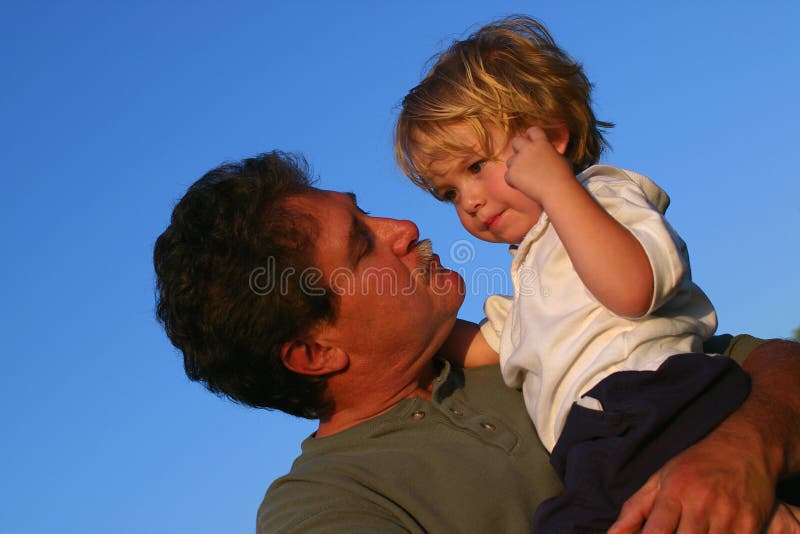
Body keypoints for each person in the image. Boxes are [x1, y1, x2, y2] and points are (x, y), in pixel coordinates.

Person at [153, 151, 800, 533]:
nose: (404, 226)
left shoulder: (536, 330)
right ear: (316, 352)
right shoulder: (325, 503)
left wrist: (745, 448)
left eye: (367, 209)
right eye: (362, 242)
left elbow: (770, 361)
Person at [393, 15, 777, 531]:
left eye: (476, 166)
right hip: (595, 442)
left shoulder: (601, 196)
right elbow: (484, 346)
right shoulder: (530, 271)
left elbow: (632, 289)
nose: (470, 202)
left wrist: (557, 188)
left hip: (657, 399)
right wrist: (404, 316)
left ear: (551, 137)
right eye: (450, 192)